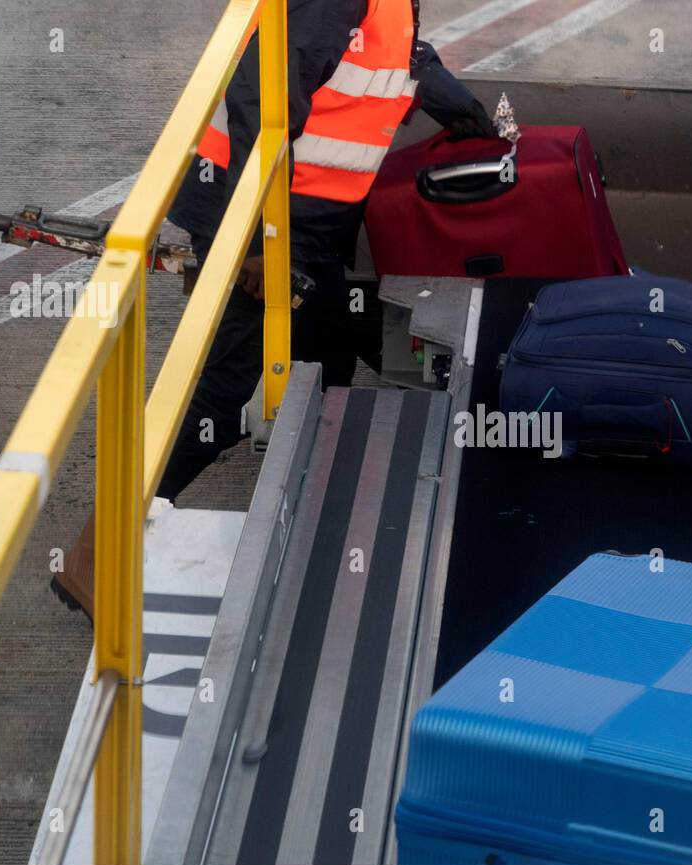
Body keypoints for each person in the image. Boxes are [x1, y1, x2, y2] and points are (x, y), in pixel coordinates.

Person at [52, 0, 494, 618]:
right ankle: (94, 555)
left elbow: (402, 61)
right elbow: (266, 96)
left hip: (312, 220)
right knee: (223, 395)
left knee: (331, 357)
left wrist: (475, 116)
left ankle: (313, 541)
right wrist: (255, 237)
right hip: (272, 216)